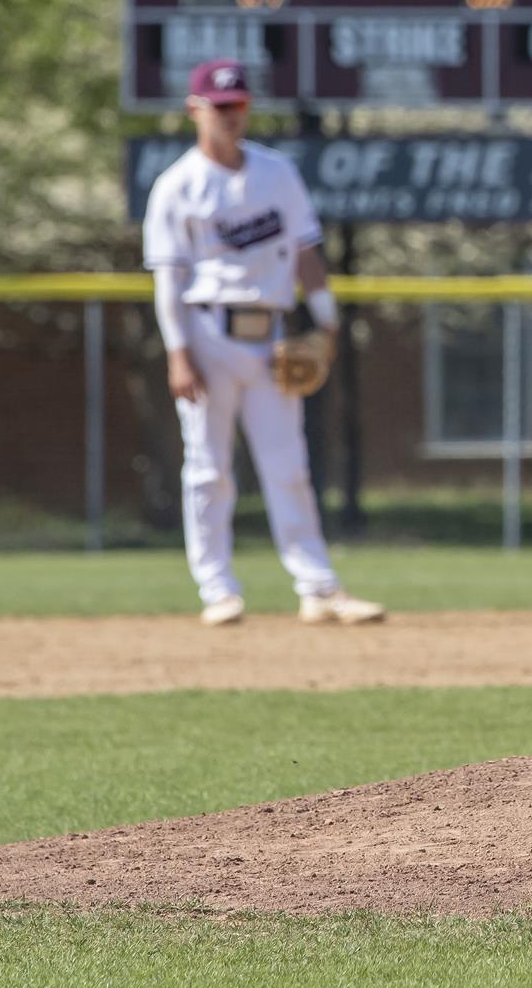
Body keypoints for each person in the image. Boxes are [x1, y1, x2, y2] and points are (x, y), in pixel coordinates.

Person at [142, 58, 385, 627]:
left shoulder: (277, 173)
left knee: (288, 466)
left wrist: (325, 325)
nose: (232, 116)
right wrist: (178, 353)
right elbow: (168, 281)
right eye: (221, 107)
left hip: (271, 335)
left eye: (240, 105)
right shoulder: (177, 185)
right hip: (205, 335)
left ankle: (318, 588)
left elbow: (307, 253)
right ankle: (218, 590)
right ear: (195, 110)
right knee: (208, 469)